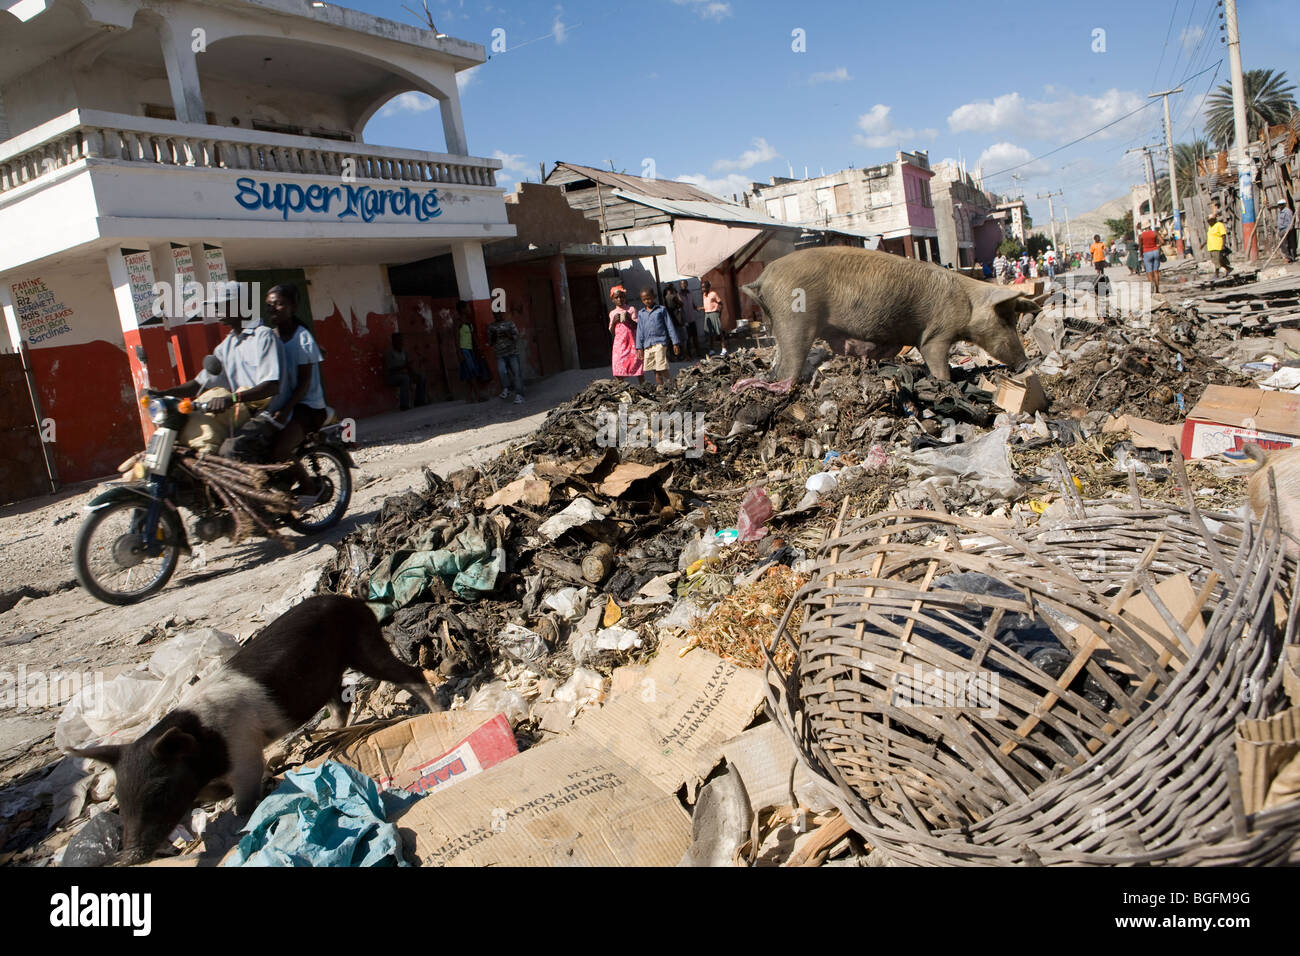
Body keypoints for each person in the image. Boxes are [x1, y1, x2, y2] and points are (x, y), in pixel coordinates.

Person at [144, 282, 289, 463]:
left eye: (222, 304)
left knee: (230, 450)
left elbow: (271, 386)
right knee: (188, 441)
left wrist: (231, 399)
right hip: (238, 411)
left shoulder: (263, 336)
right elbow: (200, 384)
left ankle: (263, 487)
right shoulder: (226, 345)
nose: (217, 309)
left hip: (268, 412)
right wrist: (164, 393)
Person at [265, 285, 328, 497]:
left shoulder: (302, 338)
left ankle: (309, 486)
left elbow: (303, 384)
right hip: (283, 403)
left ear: (292, 307)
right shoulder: (270, 338)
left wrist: (284, 412)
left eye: (279, 303)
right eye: (269, 305)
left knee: (280, 450)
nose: (273, 309)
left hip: (306, 407)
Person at [635, 286, 680, 386]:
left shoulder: (661, 310)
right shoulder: (641, 314)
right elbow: (640, 331)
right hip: (647, 345)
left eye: (649, 298)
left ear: (654, 297)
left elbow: (670, 326)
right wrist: (639, 347)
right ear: (642, 300)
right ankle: (668, 384)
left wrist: (675, 342)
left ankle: (667, 384)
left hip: (660, 342)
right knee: (655, 369)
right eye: (644, 299)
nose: (647, 301)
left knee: (660, 368)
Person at [487, 312, 525, 404]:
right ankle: (507, 388)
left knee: (516, 374)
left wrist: (508, 334)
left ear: (502, 314)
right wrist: (494, 337)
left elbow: (516, 337)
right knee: (502, 372)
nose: (498, 316)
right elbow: (490, 342)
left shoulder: (510, 324)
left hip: (512, 353)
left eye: (499, 314)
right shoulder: (491, 327)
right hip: (500, 354)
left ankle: (519, 395)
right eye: (495, 314)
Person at [608, 286, 643, 383]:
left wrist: (629, 319)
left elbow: (637, 326)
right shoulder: (612, 313)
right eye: (616, 297)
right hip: (619, 345)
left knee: (637, 366)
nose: (620, 299)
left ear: (625, 297)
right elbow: (611, 331)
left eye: (622, 297)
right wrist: (614, 322)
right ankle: (621, 389)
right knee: (618, 367)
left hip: (632, 343)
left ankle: (643, 387)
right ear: (612, 299)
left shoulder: (631, 309)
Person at [384, 332, 427, 410]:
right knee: (405, 379)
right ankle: (404, 405)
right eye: (398, 340)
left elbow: (408, 366)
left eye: (401, 340)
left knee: (421, 377)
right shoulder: (389, 353)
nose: (401, 342)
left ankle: (419, 401)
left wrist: (413, 373)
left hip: (404, 374)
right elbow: (391, 368)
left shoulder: (404, 352)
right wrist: (404, 367)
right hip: (392, 376)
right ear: (393, 342)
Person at [454, 301, 486, 404]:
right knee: (472, 372)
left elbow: (473, 336)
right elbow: (456, 338)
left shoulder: (468, 321)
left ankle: (469, 397)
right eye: (467, 307)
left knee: (470, 372)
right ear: (463, 309)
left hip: (471, 349)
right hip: (464, 349)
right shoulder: (458, 321)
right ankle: (478, 395)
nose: (469, 309)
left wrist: (478, 348)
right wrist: (459, 353)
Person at [700, 280, 726, 354]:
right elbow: (707, 305)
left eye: (704, 287)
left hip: (714, 314)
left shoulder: (713, 294)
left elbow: (721, 304)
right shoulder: (704, 295)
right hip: (707, 314)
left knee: (719, 332)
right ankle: (712, 349)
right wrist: (700, 308)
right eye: (702, 288)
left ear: (708, 287)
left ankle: (724, 348)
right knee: (710, 333)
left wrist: (719, 314)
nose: (703, 289)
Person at [678, 280, 702, 358]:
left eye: (685, 284)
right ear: (680, 285)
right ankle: (689, 355)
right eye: (682, 284)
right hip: (685, 320)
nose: (683, 285)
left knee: (695, 337)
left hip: (692, 319)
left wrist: (696, 308)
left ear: (687, 285)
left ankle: (698, 352)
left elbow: (692, 303)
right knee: (688, 339)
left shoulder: (690, 293)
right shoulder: (678, 295)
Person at [1138, 222, 1162, 293]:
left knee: (1149, 272)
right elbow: (1162, 241)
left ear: (1143, 228)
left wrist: (1141, 254)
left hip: (1147, 253)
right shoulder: (1155, 233)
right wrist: (1158, 246)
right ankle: (1157, 290)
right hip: (1155, 252)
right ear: (1149, 226)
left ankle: (1151, 289)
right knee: (1156, 272)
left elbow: (1140, 247)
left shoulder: (1141, 236)